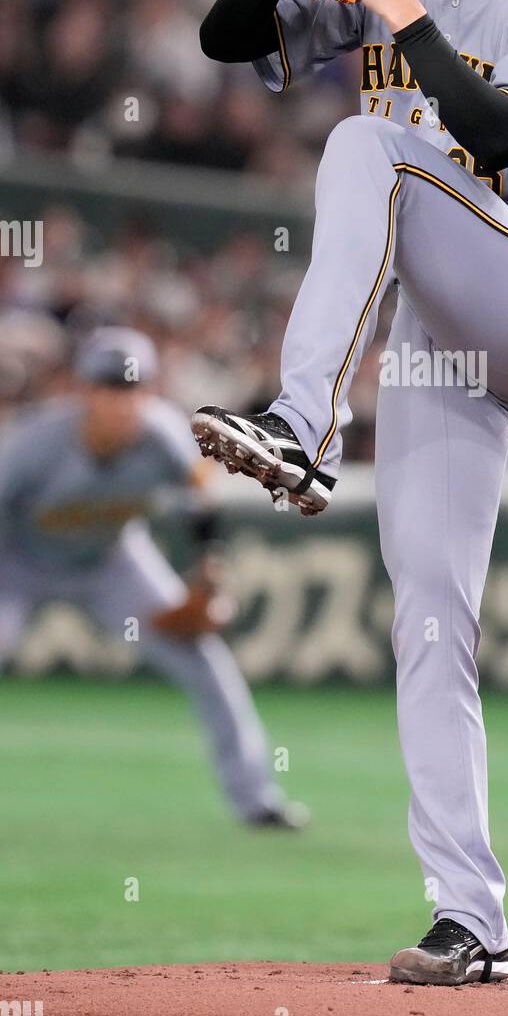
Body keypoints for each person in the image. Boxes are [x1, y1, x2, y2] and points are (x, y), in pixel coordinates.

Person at [194, 0, 508, 984]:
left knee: (363, 140)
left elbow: (494, 143)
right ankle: (469, 920)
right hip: (435, 336)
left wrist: (387, 1)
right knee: (431, 621)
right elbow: (227, 40)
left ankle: (300, 423)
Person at [0, 326, 309, 830]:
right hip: (17, 562)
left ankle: (258, 800)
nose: (122, 404)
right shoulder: (35, 442)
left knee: (205, 662)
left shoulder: (163, 435)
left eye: (133, 390)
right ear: (82, 392)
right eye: (109, 390)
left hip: (111, 561)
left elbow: (200, 503)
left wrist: (209, 571)